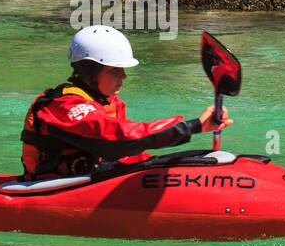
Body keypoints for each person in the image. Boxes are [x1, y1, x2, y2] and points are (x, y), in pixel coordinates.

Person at [20, 25, 233, 180]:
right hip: (55, 187)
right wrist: (193, 126)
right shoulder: (65, 107)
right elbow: (122, 139)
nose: (123, 77)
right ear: (89, 71)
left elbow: (129, 154)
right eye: (114, 71)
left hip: (95, 177)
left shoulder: (106, 102)